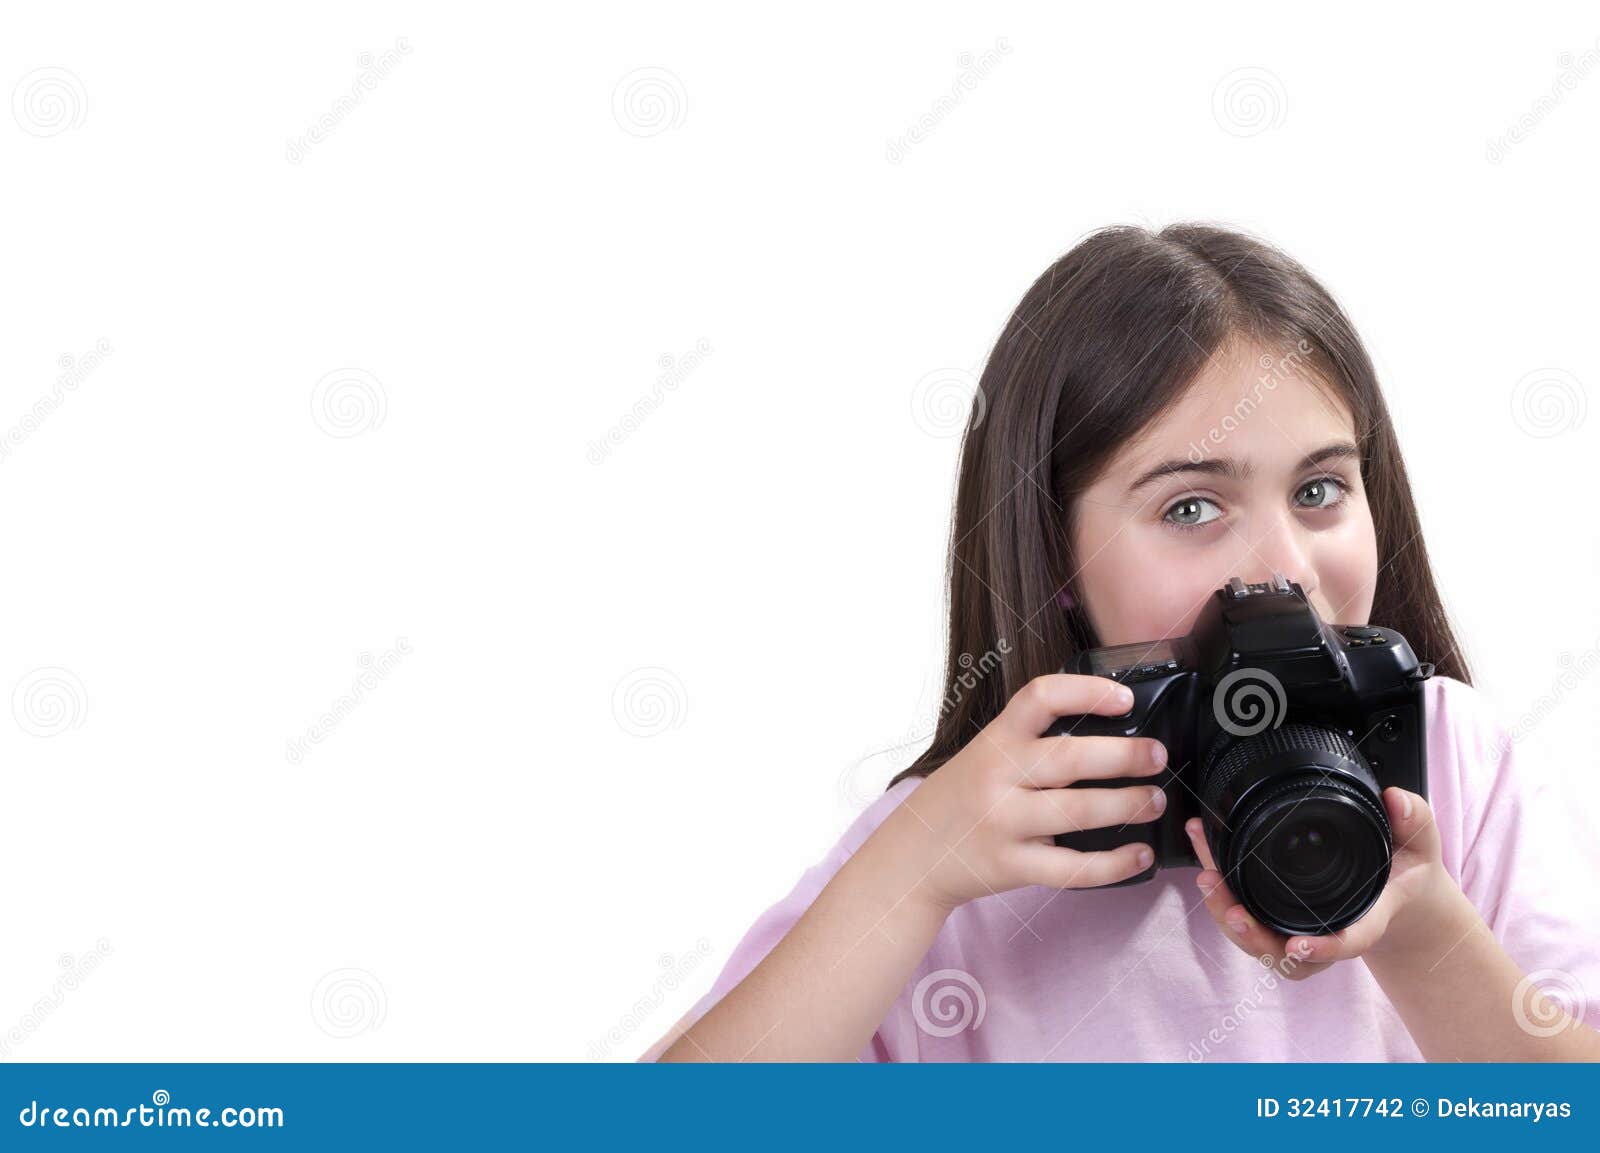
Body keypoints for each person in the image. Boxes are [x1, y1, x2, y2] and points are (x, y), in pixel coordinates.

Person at [645, 224, 1600, 1062]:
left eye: (1319, 490)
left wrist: (1424, 931)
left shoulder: (1450, 759)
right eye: (1191, 507)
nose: (1285, 567)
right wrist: (912, 873)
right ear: (1056, 553)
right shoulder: (957, 835)